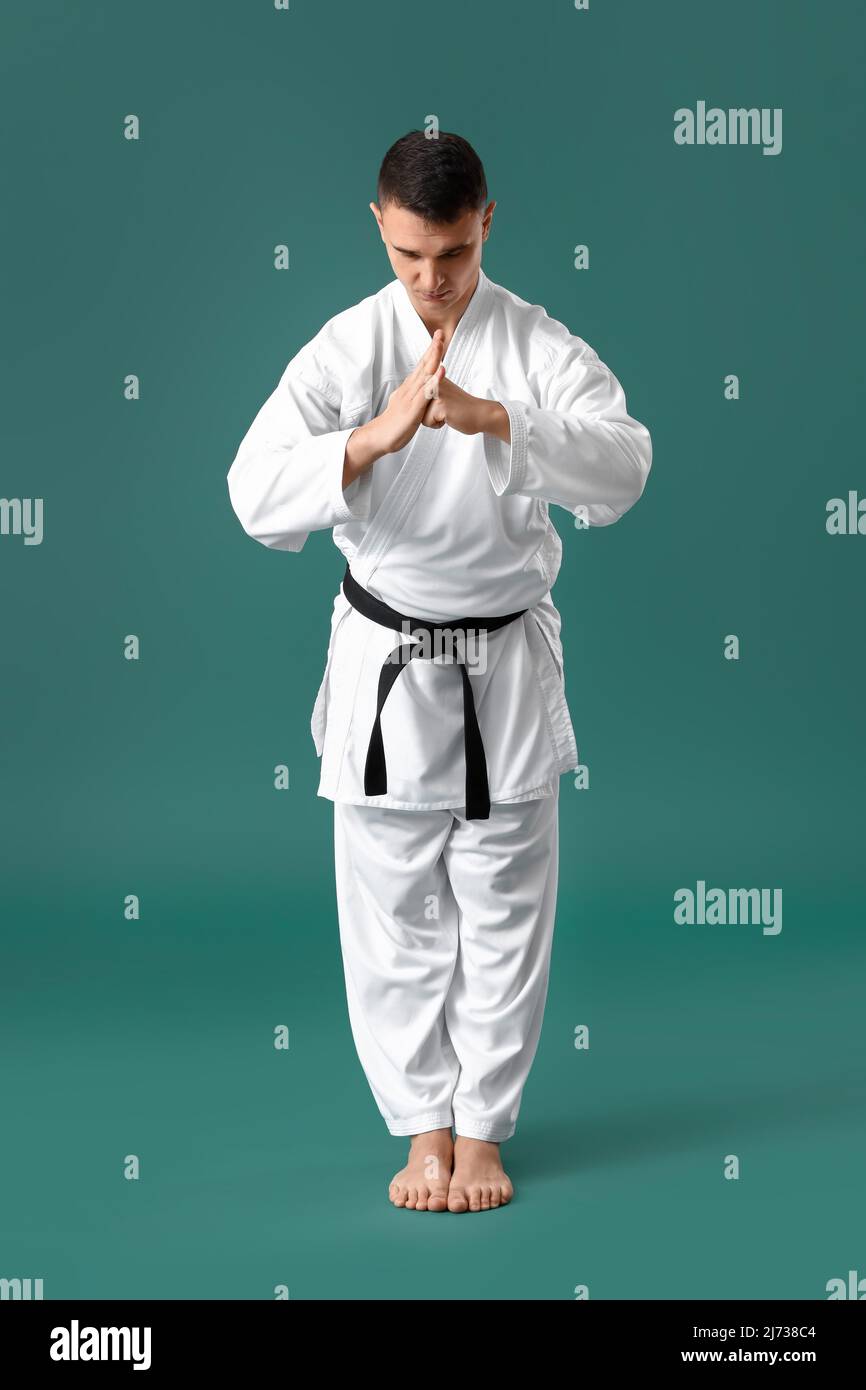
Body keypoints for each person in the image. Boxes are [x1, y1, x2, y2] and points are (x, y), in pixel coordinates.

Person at [227, 130, 652, 1214]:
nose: (429, 281)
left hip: (501, 664)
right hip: (385, 666)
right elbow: (251, 491)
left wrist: (497, 419)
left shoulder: (532, 345)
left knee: (505, 905)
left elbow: (624, 465)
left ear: (486, 226)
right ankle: (423, 1128)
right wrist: (369, 439)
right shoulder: (341, 350)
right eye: (410, 255)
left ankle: (483, 1131)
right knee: (391, 911)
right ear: (378, 224)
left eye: (452, 255)